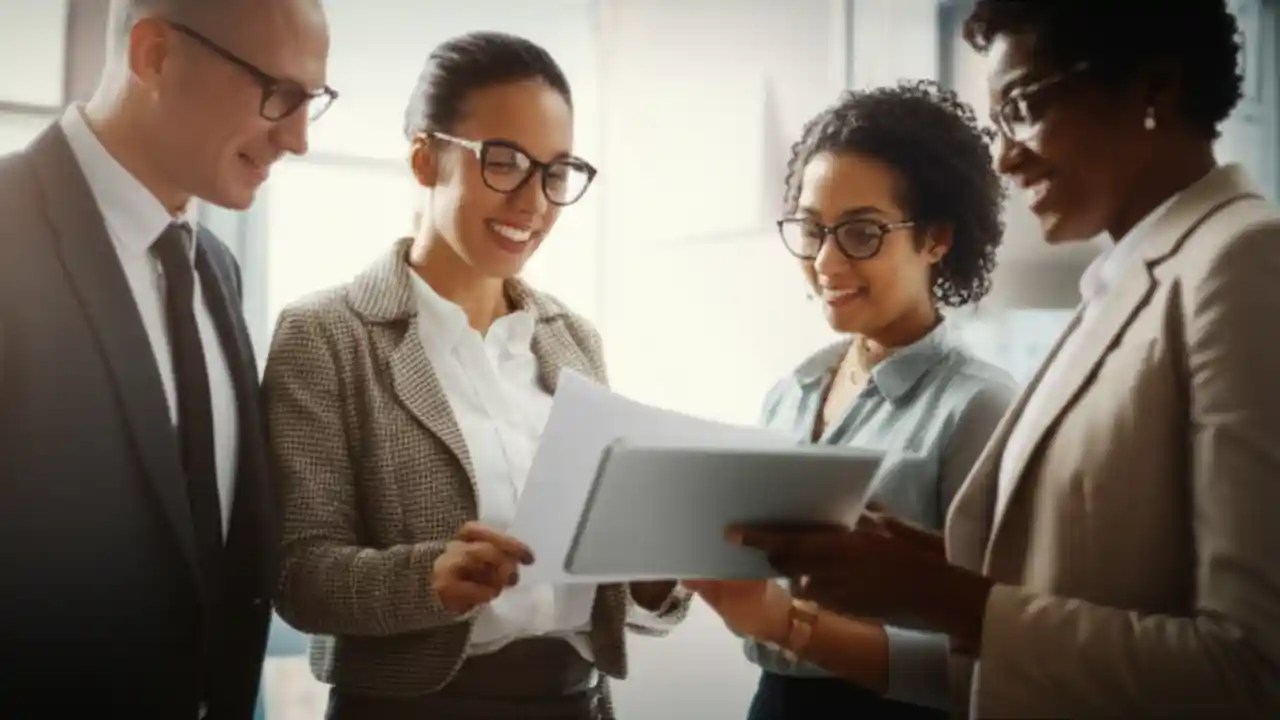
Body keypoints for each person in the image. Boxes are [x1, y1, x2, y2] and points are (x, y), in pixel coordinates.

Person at [730, 1, 1280, 718]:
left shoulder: (1242, 262)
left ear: (1157, 86)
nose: (1005, 155)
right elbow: (1083, 586)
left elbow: (1253, 671)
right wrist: (927, 568)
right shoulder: (1124, 284)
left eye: (1024, 106)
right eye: (998, 122)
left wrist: (941, 594)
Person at [264, 31, 687, 720]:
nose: (534, 201)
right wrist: (426, 579)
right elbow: (298, 575)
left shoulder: (573, 339)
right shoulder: (326, 335)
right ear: (425, 158)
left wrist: (653, 570)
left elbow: (617, 588)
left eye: (555, 171)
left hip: (575, 704)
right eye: (505, 162)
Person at [0, 0, 332, 716]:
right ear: (154, 56)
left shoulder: (213, 267)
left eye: (315, 102)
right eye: (279, 95)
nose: (300, 139)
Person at [686, 80, 1016, 719]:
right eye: (812, 230)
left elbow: (991, 660)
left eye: (862, 233)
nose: (827, 262)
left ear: (937, 238)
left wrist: (787, 624)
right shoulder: (790, 393)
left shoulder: (981, 409)